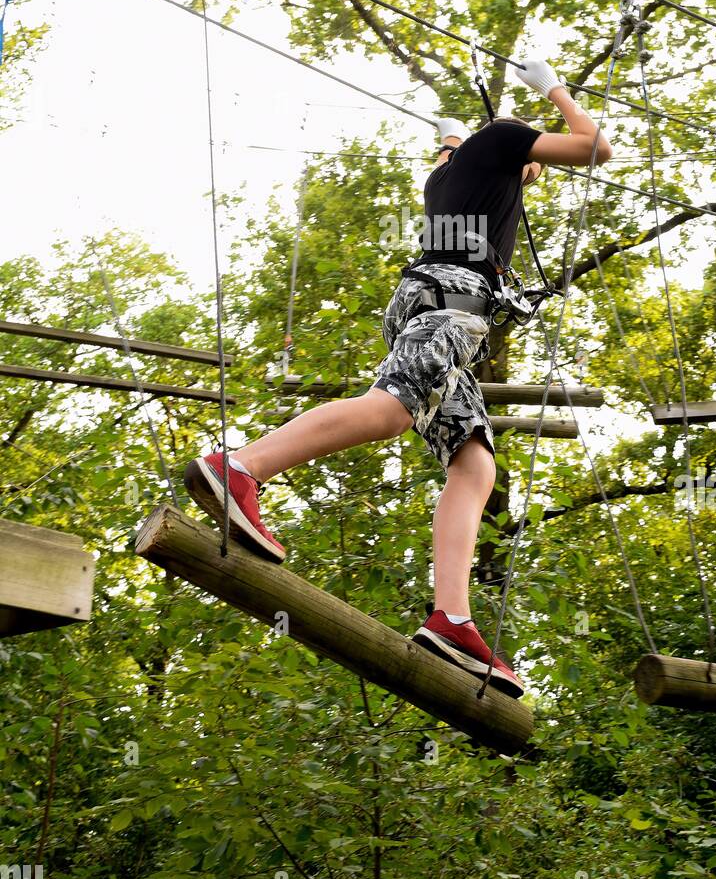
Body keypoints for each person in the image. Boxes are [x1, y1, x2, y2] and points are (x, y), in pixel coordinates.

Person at [184, 57, 612, 697]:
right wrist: (552, 88)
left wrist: (450, 138)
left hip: (439, 306)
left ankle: (452, 618)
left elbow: (449, 155)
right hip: (447, 305)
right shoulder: (498, 136)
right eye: (533, 158)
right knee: (389, 410)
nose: (536, 167)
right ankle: (239, 468)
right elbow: (594, 147)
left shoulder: (448, 176)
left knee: (474, 464)